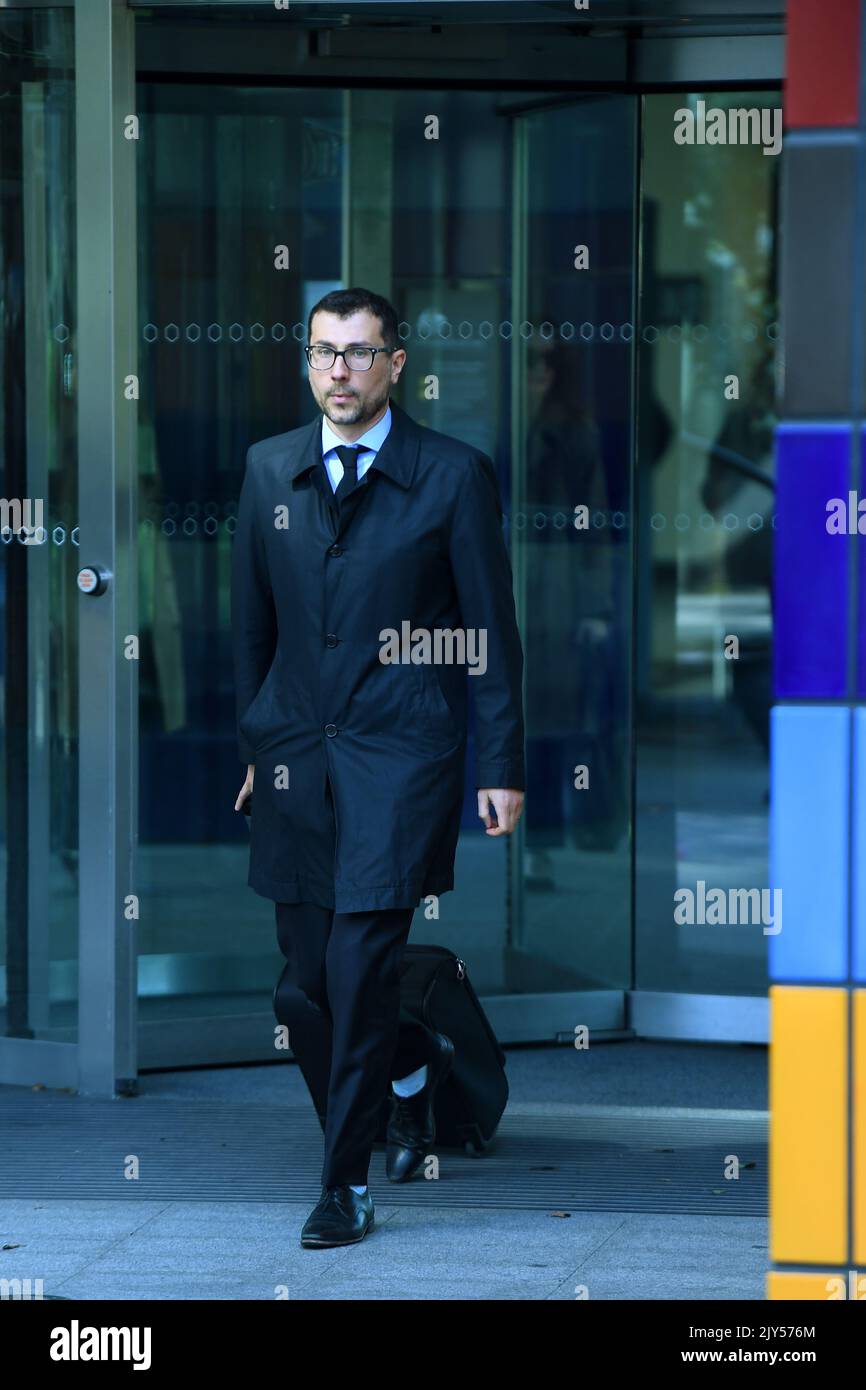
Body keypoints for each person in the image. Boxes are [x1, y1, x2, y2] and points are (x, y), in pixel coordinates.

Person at [230, 287, 525, 1247]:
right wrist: (253, 747)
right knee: (303, 986)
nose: (340, 372)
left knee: (356, 971)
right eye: (323, 352)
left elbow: (490, 632)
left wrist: (503, 762)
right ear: (307, 361)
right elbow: (252, 630)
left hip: (402, 755)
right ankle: (412, 1067)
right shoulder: (268, 470)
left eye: (360, 353)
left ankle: (344, 1185)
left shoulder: (451, 475)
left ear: (397, 364)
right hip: (295, 759)